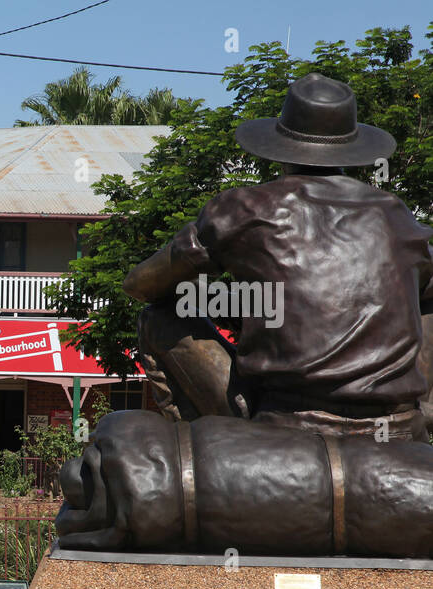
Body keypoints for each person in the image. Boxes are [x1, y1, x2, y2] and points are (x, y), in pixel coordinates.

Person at [125, 73, 433, 441]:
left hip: (285, 424)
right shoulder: (395, 214)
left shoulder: (245, 208)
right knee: (426, 301)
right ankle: (421, 417)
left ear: (280, 146)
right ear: (350, 150)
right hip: (396, 424)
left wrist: (207, 285)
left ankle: (215, 447)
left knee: (160, 316)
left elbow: (140, 285)